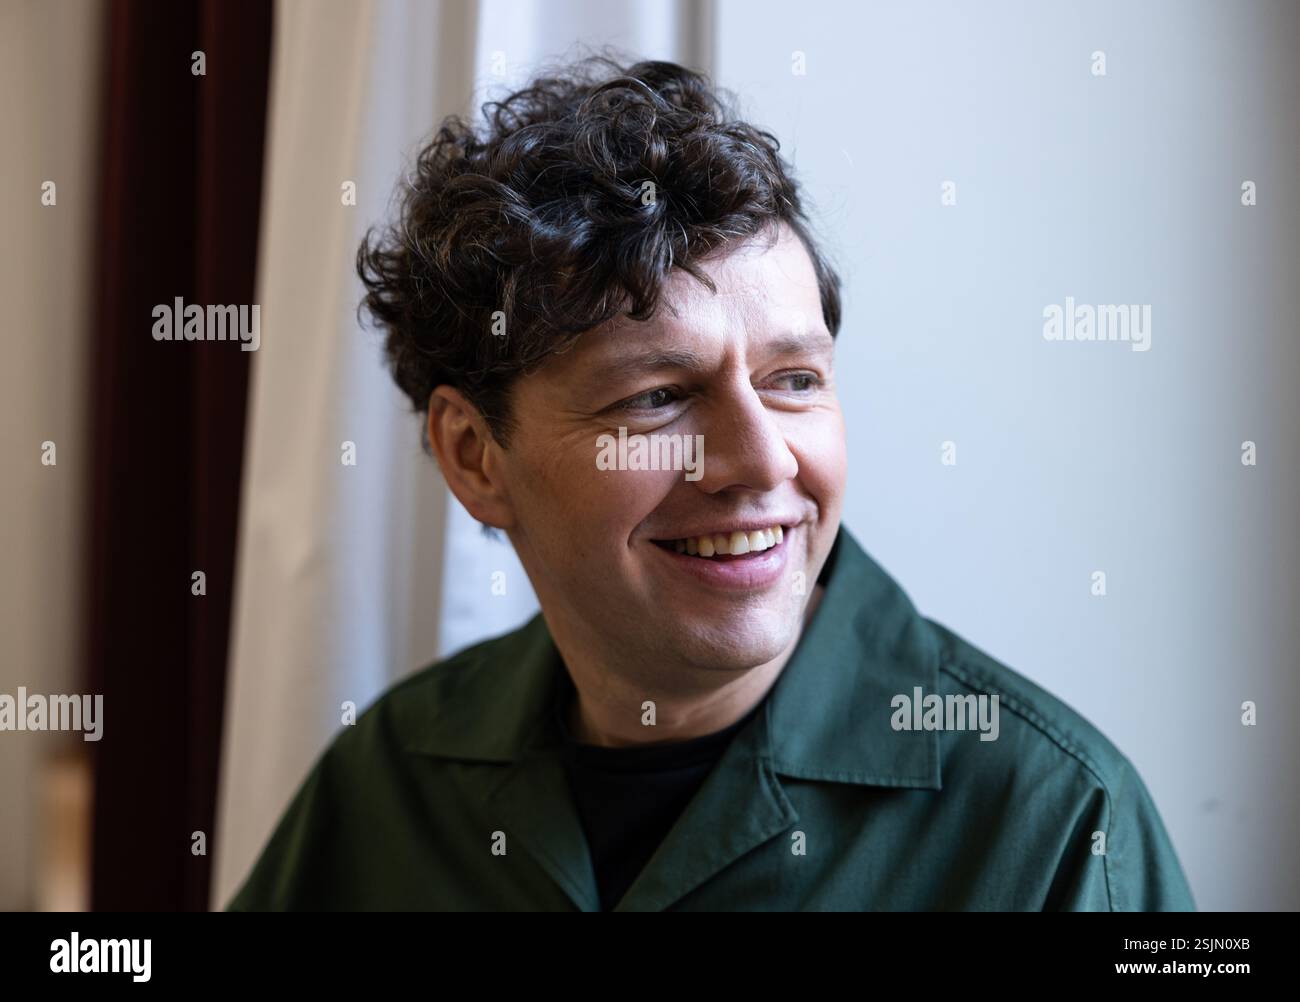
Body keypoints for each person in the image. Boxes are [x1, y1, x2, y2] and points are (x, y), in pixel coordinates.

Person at [226, 55, 1194, 911]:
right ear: (475, 456)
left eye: (793, 383)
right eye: (656, 397)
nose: (762, 460)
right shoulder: (393, 775)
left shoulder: (1057, 815)